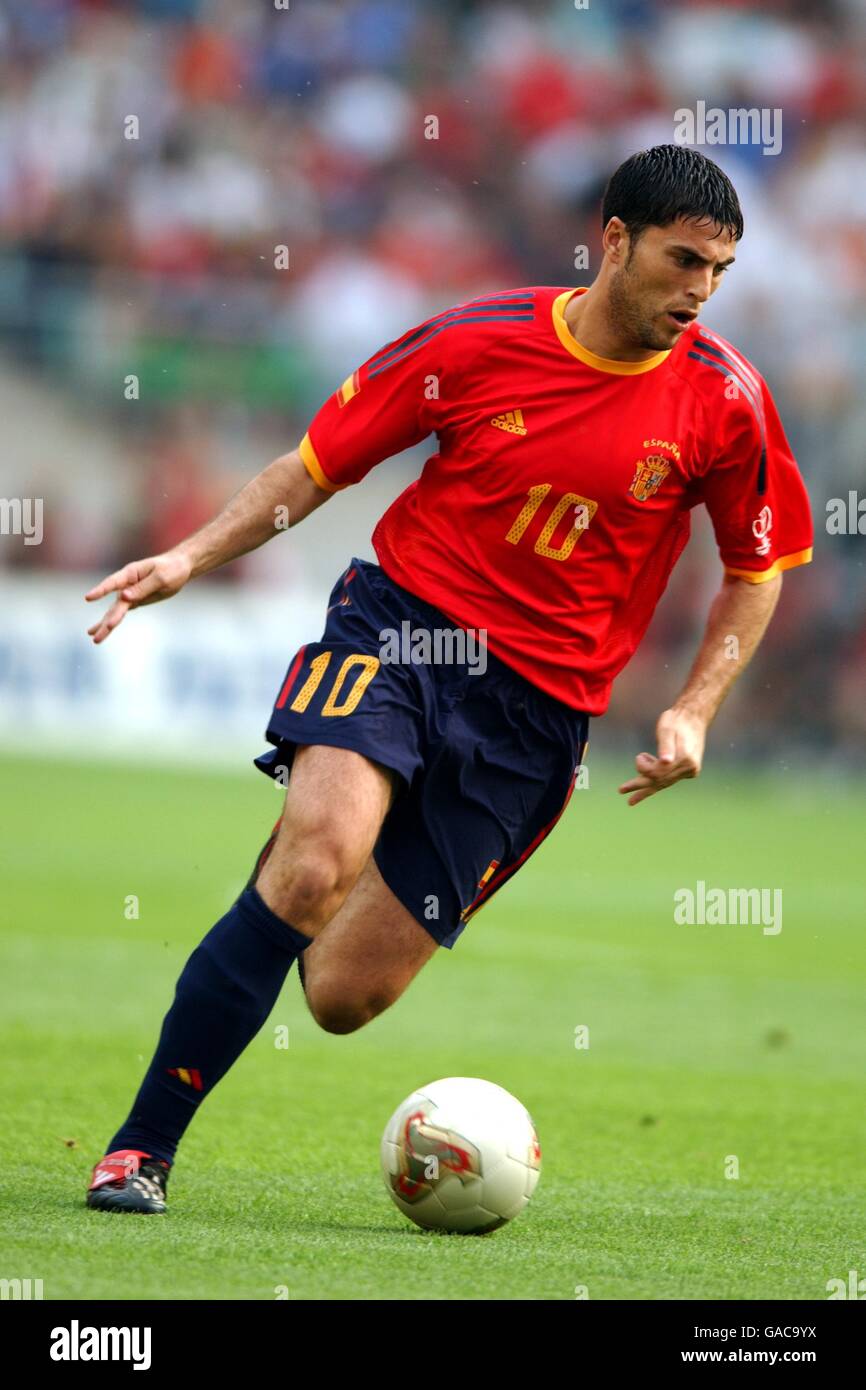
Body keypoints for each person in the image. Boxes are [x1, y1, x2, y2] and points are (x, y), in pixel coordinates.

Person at [83, 145, 812, 1213]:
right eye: (682, 260)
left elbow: (757, 571)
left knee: (339, 994)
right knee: (314, 864)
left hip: (538, 715)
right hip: (401, 629)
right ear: (612, 241)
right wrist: (194, 553)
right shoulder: (473, 343)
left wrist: (695, 706)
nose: (698, 290)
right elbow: (318, 463)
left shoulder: (725, 401)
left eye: (718, 271)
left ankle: (297, 879)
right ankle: (137, 1150)